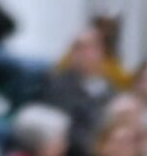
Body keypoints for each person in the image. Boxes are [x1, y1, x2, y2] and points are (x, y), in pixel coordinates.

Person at [42, 28, 114, 156]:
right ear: (73, 53)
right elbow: (64, 129)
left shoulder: (108, 87)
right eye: (81, 49)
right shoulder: (59, 85)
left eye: (95, 48)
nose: (89, 54)